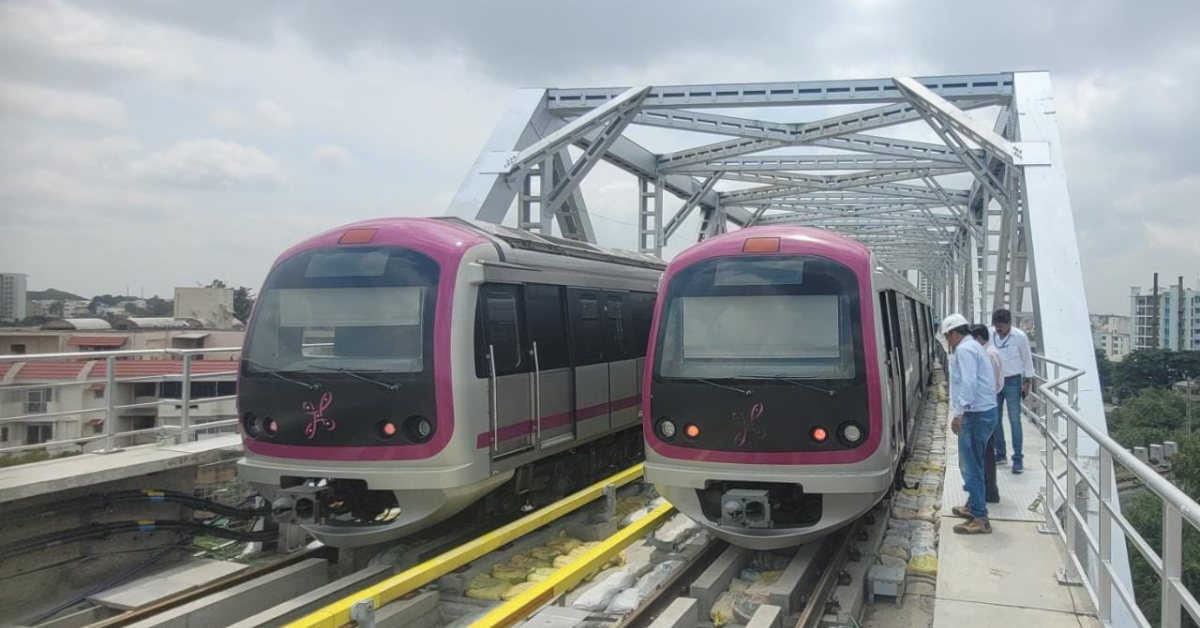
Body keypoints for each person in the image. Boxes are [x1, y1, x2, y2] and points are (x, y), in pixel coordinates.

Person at [941, 313, 998, 535]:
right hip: (985, 411)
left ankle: (980, 518)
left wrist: (958, 414)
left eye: (948, 337)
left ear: (955, 333)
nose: (948, 341)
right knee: (976, 463)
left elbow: (968, 382)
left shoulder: (964, 350)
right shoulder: (974, 346)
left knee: (970, 466)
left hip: (974, 415)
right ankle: (974, 505)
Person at [991, 309, 1035, 474]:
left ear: (1009, 324)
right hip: (995, 381)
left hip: (1013, 381)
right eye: (996, 326)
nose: (998, 330)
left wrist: (1027, 381)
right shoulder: (991, 334)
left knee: (1014, 419)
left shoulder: (1020, 337)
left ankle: (1018, 458)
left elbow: (1027, 359)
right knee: (995, 419)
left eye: (1001, 327)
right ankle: (1000, 453)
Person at [969, 324, 1003, 503]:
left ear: (979, 338)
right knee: (986, 451)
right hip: (989, 404)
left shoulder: (987, 355)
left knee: (983, 453)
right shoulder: (991, 352)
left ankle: (988, 491)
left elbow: (986, 383)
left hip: (984, 407)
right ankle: (989, 490)